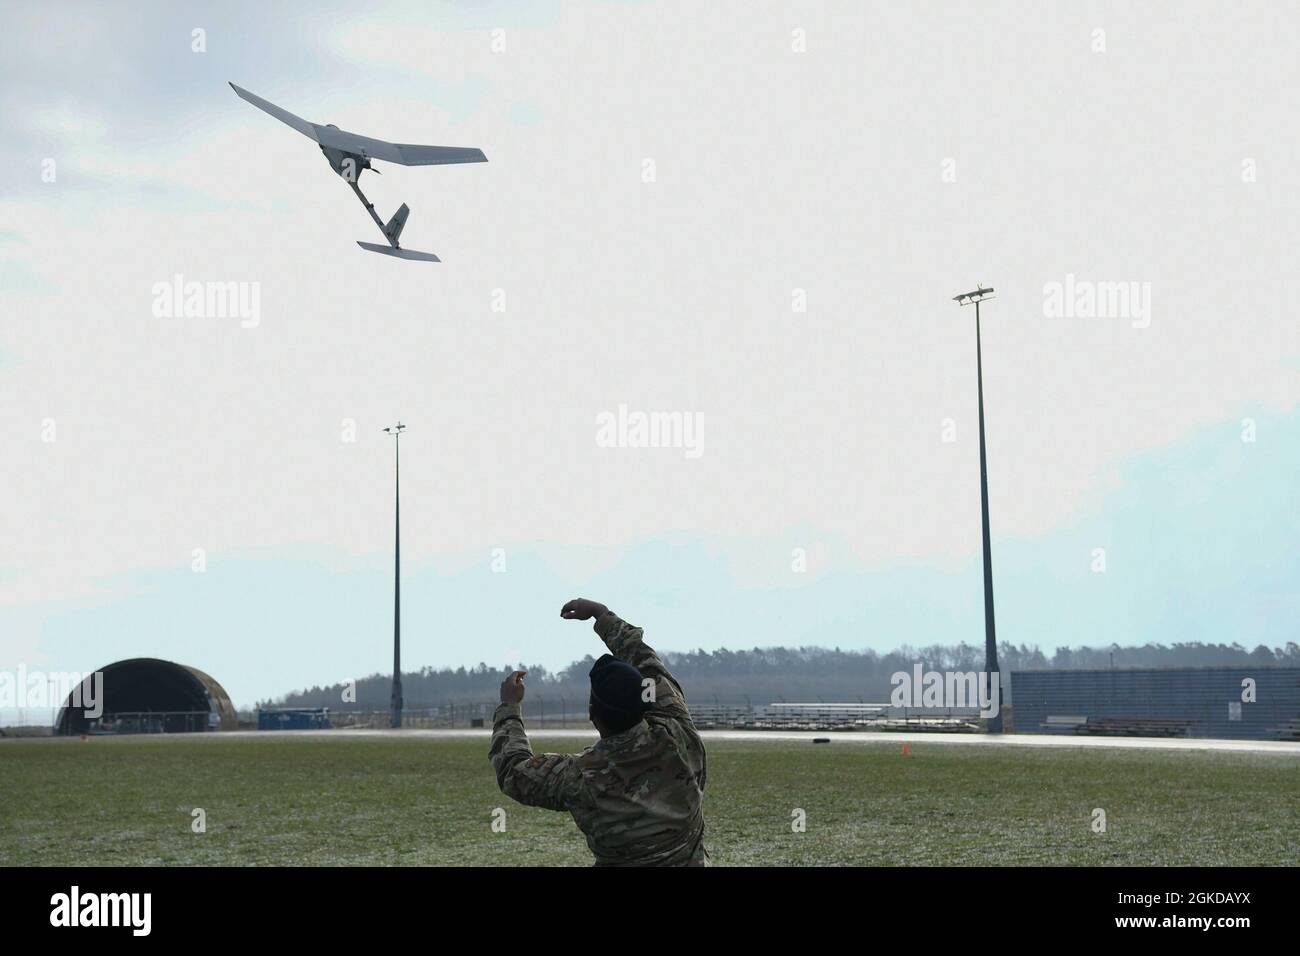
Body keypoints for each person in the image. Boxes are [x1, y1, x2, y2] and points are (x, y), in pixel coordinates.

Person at [488, 598, 708, 866]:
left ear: (592, 714)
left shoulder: (580, 778)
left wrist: (509, 707)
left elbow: (513, 771)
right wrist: (601, 615)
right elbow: (645, 662)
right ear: (647, 702)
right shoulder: (678, 733)